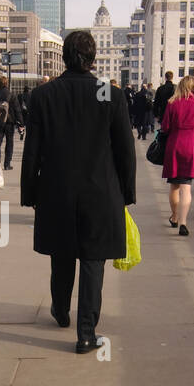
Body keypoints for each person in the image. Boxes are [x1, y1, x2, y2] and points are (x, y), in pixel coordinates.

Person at [21, 31, 136, 353]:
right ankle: (86, 333)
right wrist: (126, 193)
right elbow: (125, 151)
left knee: (61, 254)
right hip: (100, 191)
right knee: (93, 260)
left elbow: (32, 150)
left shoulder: (44, 94)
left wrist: (30, 192)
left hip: (56, 189)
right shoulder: (109, 93)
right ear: (93, 58)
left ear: (64, 57)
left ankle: (60, 310)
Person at [161, 75, 194, 235]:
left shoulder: (172, 103)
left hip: (175, 144)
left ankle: (174, 217)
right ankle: (183, 223)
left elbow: (165, 126)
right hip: (191, 146)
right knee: (186, 187)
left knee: (174, 185)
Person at [4, 81, 26, 170]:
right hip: (9, 122)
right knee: (9, 143)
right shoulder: (12, 96)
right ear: (7, 84)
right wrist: (21, 123)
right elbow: (17, 110)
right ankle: (7, 163)